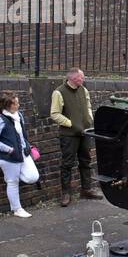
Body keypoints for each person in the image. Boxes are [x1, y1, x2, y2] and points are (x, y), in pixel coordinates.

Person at [51, 67, 97, 206]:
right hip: (69, 135)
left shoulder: (84, 90)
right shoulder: (59, 92)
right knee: (67, 164)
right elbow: (54, 114)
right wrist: (71, 123)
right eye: (80, 78)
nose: (82, 80)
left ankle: (86, 189)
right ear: (72, 78)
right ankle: (66, 193)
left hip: (85, 132)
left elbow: (88, 107)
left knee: (86, 161)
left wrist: (89, 120)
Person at [0, 92, 33, 218]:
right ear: (8, 105)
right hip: (7, 157)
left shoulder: (18, 116)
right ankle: (17, 209)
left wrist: (27, 146)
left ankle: (11, 176)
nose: (18, 105)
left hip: (21, 153)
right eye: (16, 103)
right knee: (13, 182)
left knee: (32, 176)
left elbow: (22, 135)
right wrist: (9, 149)